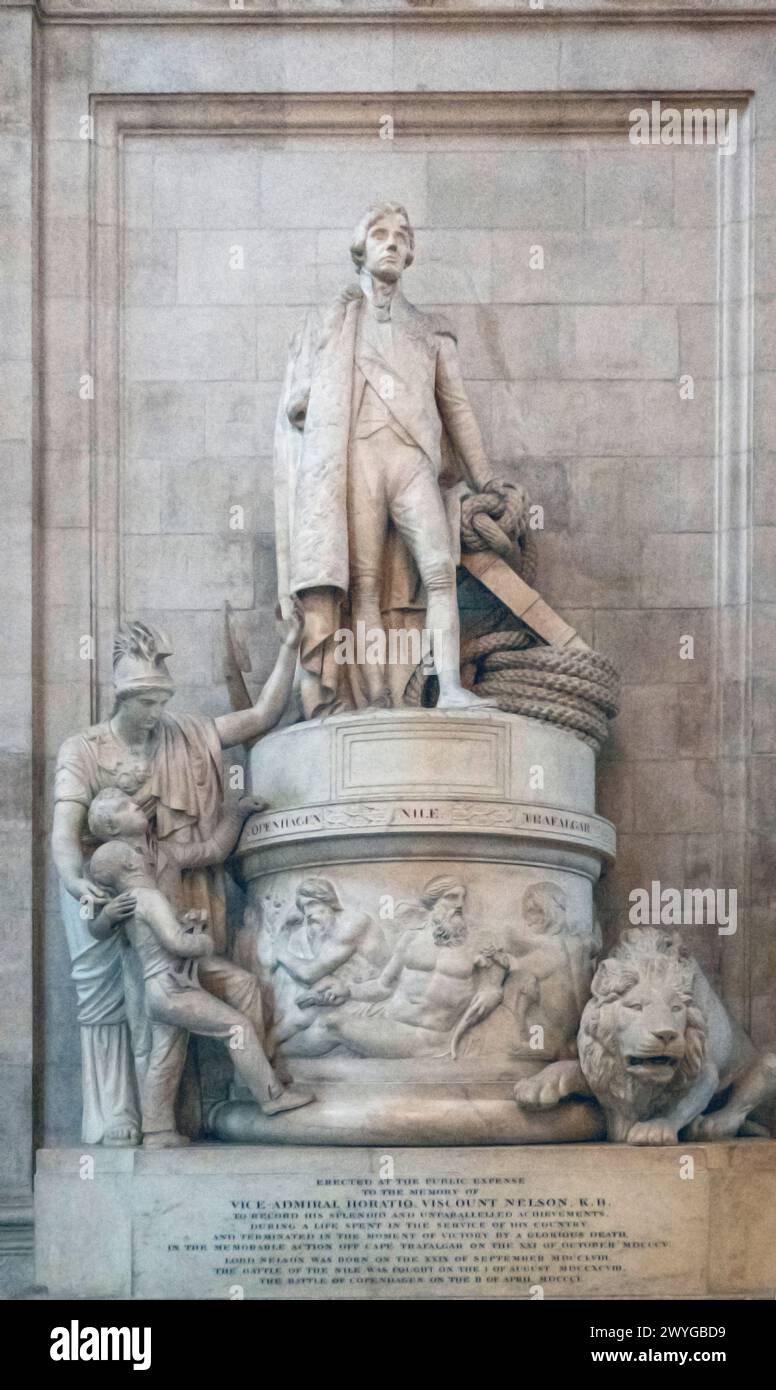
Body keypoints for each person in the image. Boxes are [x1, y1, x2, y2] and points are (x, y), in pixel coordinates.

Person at [52, 609, 304, 1145]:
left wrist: (291, 648)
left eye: (162, 702)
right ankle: (120, 1113)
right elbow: (63, 837)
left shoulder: (183, 735)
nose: (156, 714)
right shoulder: (84, 749)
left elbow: (261, 717)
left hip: (172, 882)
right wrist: (81, 888)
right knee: (115, 1007)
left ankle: (220, 1102)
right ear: (121, 699)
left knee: (189, 1014)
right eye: (146, 704)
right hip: (103, 886)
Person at [275, 200, 505, 715]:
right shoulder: (333, 323)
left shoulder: (431, 331)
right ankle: (375, 699)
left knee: (440, 571)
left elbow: (458, 411)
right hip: (357, 459)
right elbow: (300, 406)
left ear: (411, 254)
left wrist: (486, 480)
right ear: (361, 249)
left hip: (410, 461)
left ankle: (449, 690)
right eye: (380, 233)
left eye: (402, 235)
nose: (393, 242)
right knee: (365, 586)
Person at [86, 787, 313, 1145]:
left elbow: (211, 850)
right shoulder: (117, 867)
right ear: (113, 828)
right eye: (128, 807)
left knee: (242, 985)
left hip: (180, 962)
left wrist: (236, 815)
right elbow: (95, 925)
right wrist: (108, 917)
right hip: (158, 965)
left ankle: (250, 1075)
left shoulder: (165, 853)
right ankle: (264, 1090)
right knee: (164, 1046)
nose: (138, 806)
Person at [305, 877, 509, 1058]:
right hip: (390, 1019)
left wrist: (492, 991)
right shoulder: (411, 938)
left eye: (463, 898)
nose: (460, 905)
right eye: (452, 897)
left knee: (331, 1024)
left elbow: (493, 986)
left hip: (425, 1036)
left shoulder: (478, 942)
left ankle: (278, 1071)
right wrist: (348, 990)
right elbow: (383, 986)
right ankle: (279, 1065)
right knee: (318, 1022)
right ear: (433, 903)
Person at [265, 877, 390, 1055]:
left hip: (374, 994)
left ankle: (272, 1056)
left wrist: (280, 948)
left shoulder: (353, 923)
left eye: (312, 904)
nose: (308, 913)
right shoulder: (321, 929)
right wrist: (284, 928)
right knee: (302, 1013)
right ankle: (267, 1053)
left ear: (328, 901)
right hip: (344, 992)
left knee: (310, 1022)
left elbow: (309, 973)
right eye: (304, 908)